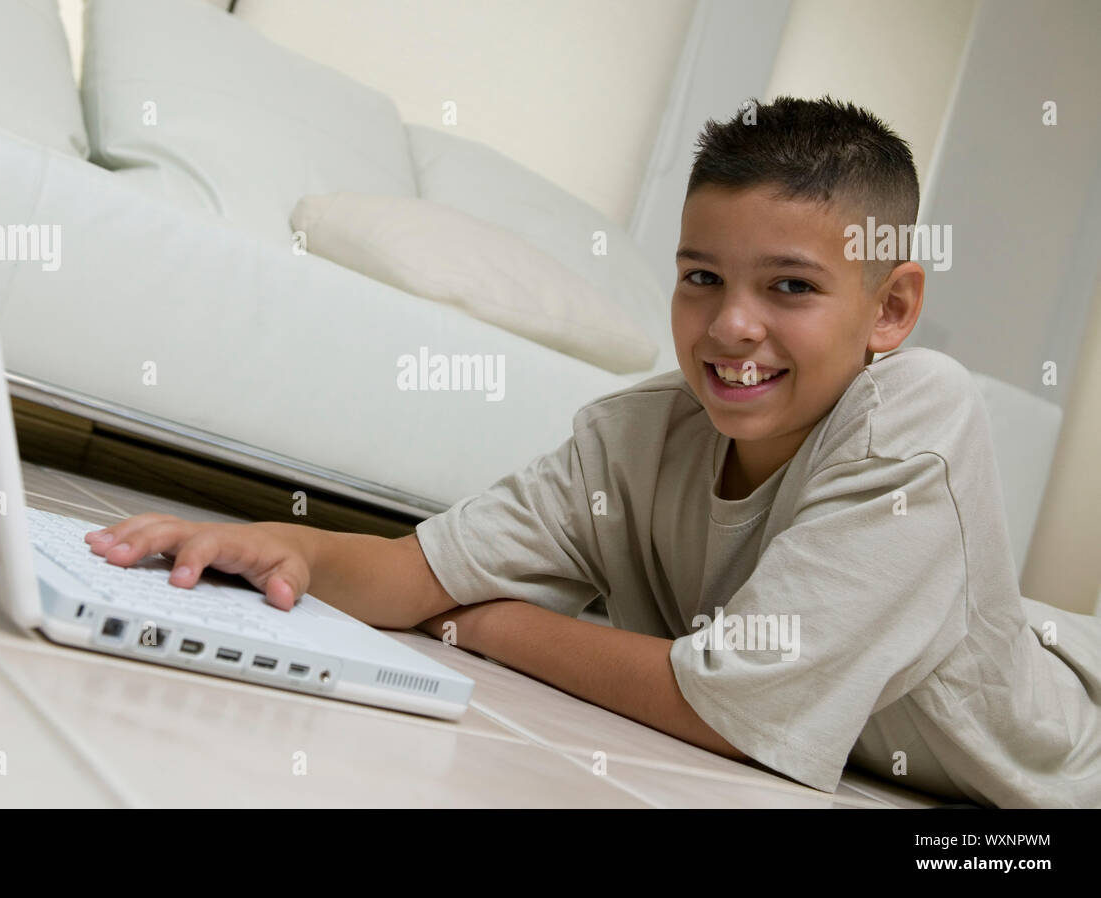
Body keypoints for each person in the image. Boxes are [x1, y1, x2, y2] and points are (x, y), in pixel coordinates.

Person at [82, 96, 1101, 809]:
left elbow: (732, 711)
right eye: (700, 277)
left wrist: (490, 626)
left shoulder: (917, 409)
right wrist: (275, 546)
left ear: (891, 308)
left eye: (788, 287)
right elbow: (416, 570)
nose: (730, 326)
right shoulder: (633, 434)